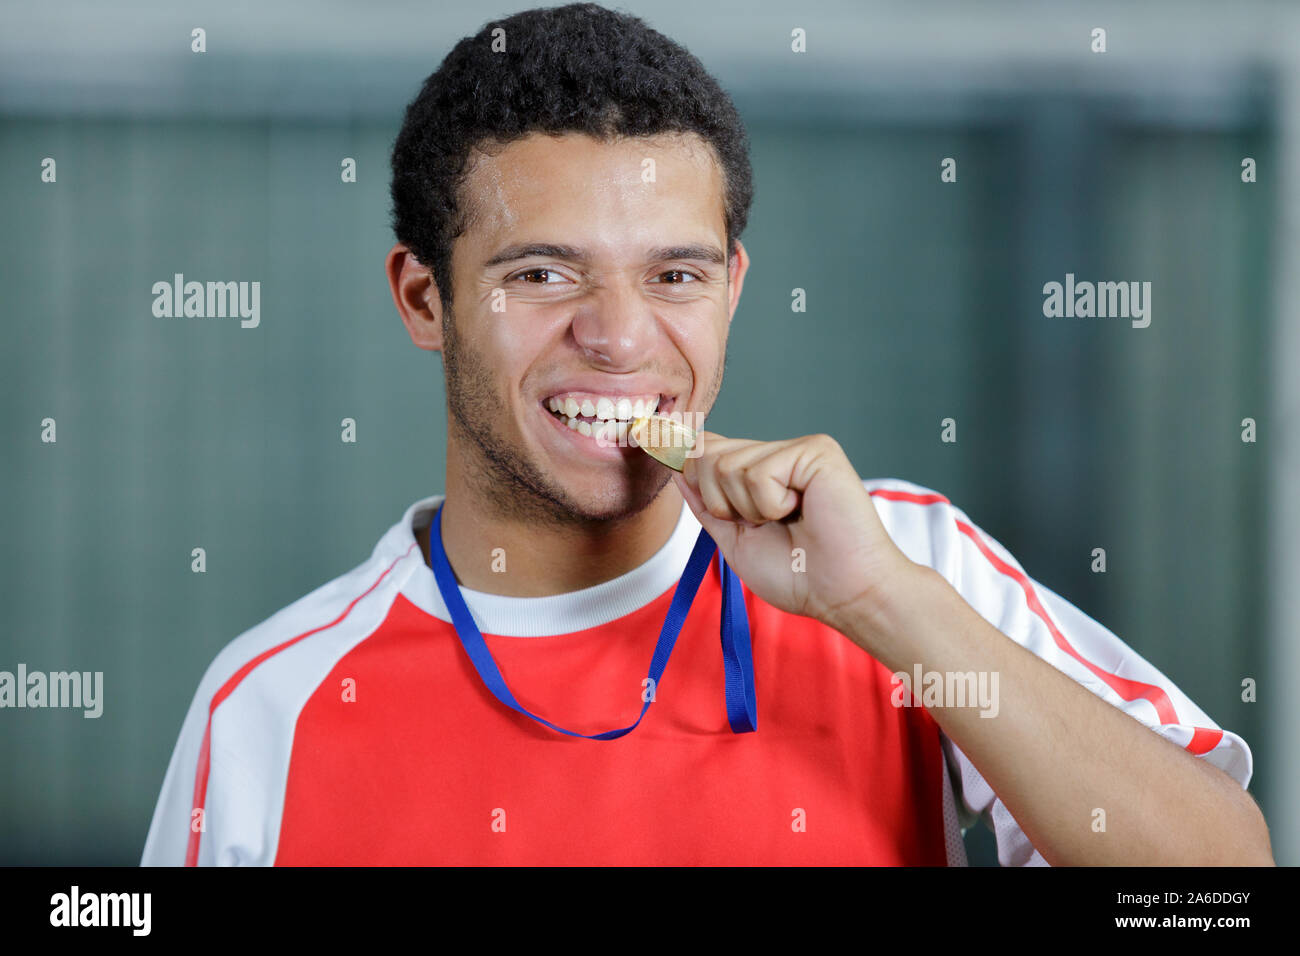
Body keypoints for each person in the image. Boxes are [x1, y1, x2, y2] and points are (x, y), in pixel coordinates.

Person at [142, 2, 1272, 866]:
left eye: (673, 274)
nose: (619, 338)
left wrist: (878, 606)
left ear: (731, 290)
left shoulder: (901, 565)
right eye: (542, 273)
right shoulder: (272, 703)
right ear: (423, 299)